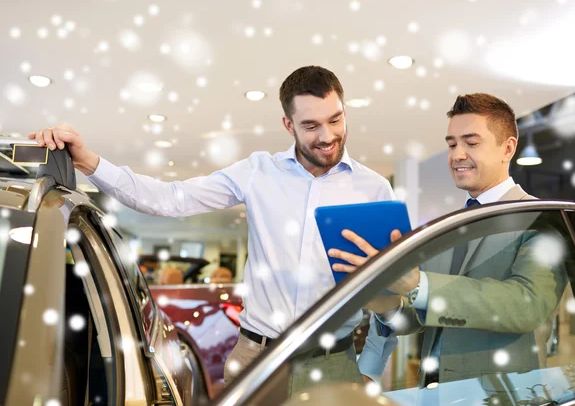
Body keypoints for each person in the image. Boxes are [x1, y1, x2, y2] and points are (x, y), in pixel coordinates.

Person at [30, 65, 397, 392]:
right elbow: (170, 199)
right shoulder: (258, 172)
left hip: (333, 363)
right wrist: (91, 162)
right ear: (288, 125)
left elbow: (392, 287)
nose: (327, 135)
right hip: (257, 357)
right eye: (311, 125)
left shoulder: (374, 190)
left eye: (335, 120)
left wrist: (372, 367)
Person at [329, 93, 567, 388]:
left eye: (471, 142)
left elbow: (527, 305)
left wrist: (418, 285)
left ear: (508, 148)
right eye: (452, 144)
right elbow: (421, 318)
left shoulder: (543, 220)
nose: (457, 154)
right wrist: (381, 300)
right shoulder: (451, 227)